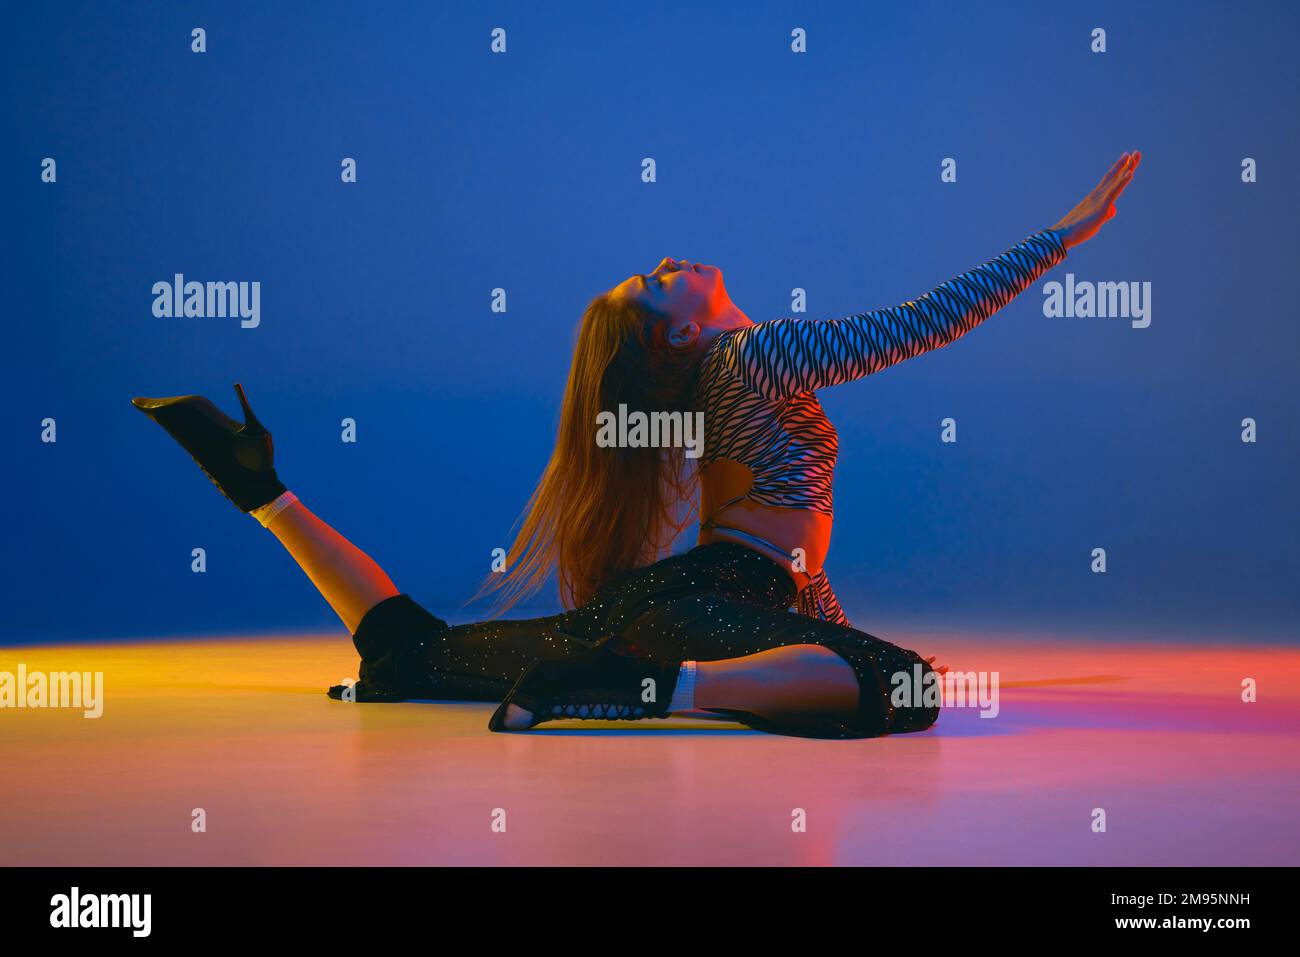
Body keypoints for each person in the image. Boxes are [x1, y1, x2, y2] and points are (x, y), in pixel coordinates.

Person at [133, 152, 1141, 737]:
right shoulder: (763, 353)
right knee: (909, 687)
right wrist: (1065, 233)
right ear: (677, 331)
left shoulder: (712, 382)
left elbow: (794, 570)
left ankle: (260, 493)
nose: (664, 262)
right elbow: (929, 319)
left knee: (409, 651)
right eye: (654, 284)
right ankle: (649, 693)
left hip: (657, 603)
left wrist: (825, 628)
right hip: (706, 607)